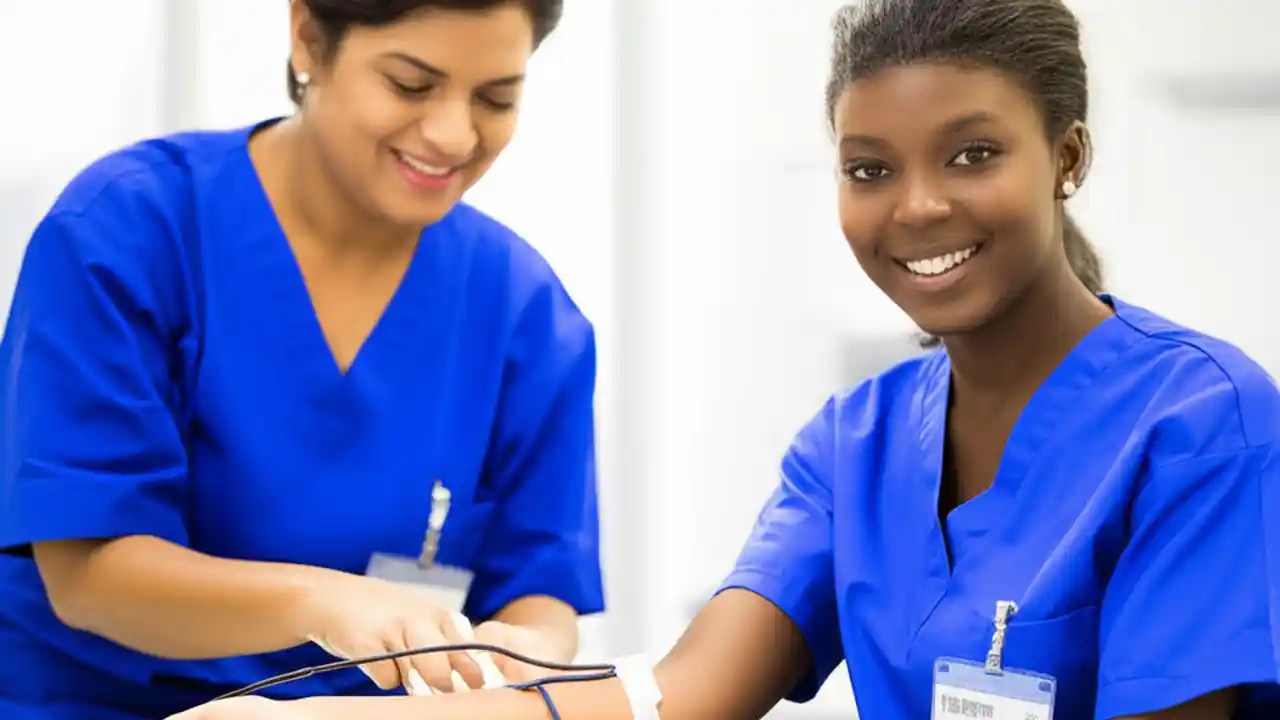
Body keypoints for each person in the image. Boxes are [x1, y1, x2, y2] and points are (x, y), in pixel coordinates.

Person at [169, 0, 1280, 718]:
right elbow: (677, 696)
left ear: (1066, 157)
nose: (918, 206)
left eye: (972, 155)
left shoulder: (1198, 421)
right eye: (867, 169)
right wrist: (302, 717)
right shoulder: (854, 443)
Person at [0, 0, 606, 717]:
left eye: (496, 98)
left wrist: (511, 653)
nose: (453, 133)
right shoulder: (127, 232)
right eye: (411, 85)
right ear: (309, 39)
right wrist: (328, 603)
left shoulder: (523, 310)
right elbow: (88, 573)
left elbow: (540, 593)